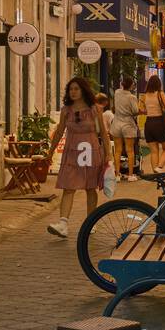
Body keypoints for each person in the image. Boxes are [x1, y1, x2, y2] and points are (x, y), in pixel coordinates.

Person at [46, 76, 113, 239]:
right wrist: (50, 151)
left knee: (90, 188)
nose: (73, 92)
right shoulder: (65, 110)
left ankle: (91, 222)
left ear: (83, 90)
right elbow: (60, 131)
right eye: (71, 89)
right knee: (69, 187)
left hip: (91, 151)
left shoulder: (95, 109)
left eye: (76, 89)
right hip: (71, 151)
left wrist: (108, 155)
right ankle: (63, 224)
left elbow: (103, 133)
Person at [138, 75, 165, 172]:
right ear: (159, 84)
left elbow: (142, 110)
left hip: (148, 124)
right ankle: (159, 167)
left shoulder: (144, 96)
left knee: (154, 151)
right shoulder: (160, 94)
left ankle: (155, 172)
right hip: (159, 123)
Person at [109, 76, 141, 182]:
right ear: (131, 85)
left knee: (117, 150)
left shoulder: (117, 93)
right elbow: (135, 111)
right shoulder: (132, 97)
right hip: (128, 124)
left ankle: (117, 175)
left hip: (117, 122)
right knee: (130, 150)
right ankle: (130, 175)